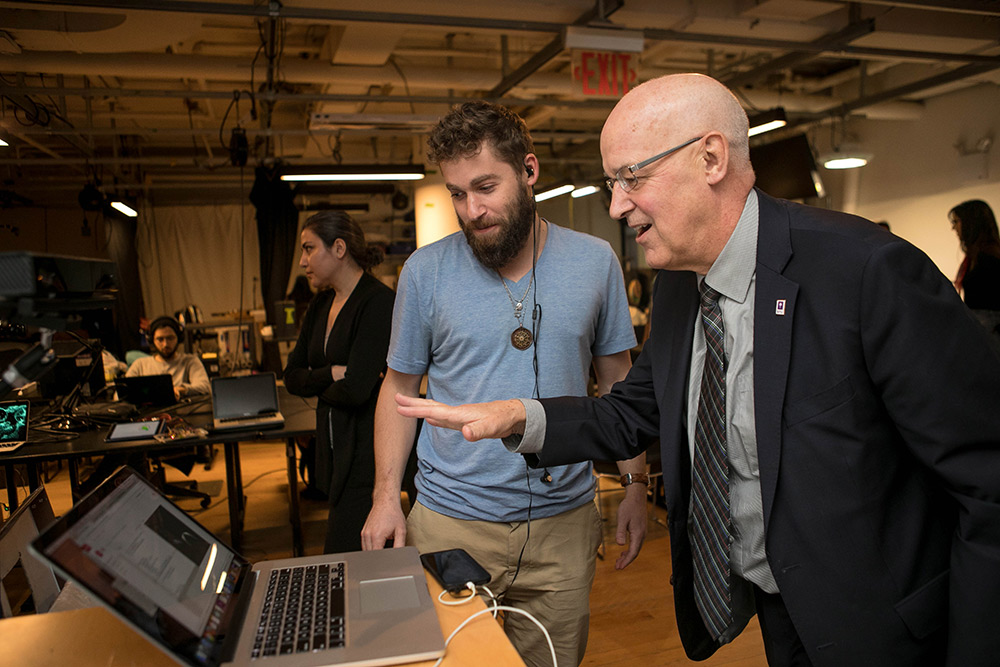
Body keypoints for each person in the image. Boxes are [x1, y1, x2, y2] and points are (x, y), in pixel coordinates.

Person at [394, 74, 1000, 666]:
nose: (616, 205)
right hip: (783, 611)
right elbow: (630, 413)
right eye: (611, 183)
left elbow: (987, 485)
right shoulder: (681, 288)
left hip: (886, 624)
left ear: (711, 158)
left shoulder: (867, 271)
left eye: (632, 177)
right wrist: (516, 416)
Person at [360, 100, 648, 667]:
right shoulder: (425, 272)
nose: (472, 210)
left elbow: (619, 382)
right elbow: (398, 391)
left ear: (529, 170)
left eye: (486, 187)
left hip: (564, 526)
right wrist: (385, 498)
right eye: (457, 194)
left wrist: (635, 484)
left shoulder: (596, 262)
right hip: (450, 523)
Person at [283, 211, 394, 554]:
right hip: (332, 449)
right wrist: (331, 373)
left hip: (366, 453)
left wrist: (317, 382)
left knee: (347, 553)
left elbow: (357, 389)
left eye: (309, 248)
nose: (302, 261)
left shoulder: (377, 301)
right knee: (353, 554)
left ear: (339, 248)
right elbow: (291, 377)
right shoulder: (320, 303)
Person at [125, 315, 209, 399]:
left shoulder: (190, 361)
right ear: (152, 340)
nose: (165, 344)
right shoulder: (140, 365)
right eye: (160, 339)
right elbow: (123, 391)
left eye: (170, 338)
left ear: (179, 338)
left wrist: (182, 389)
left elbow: (205, 387)